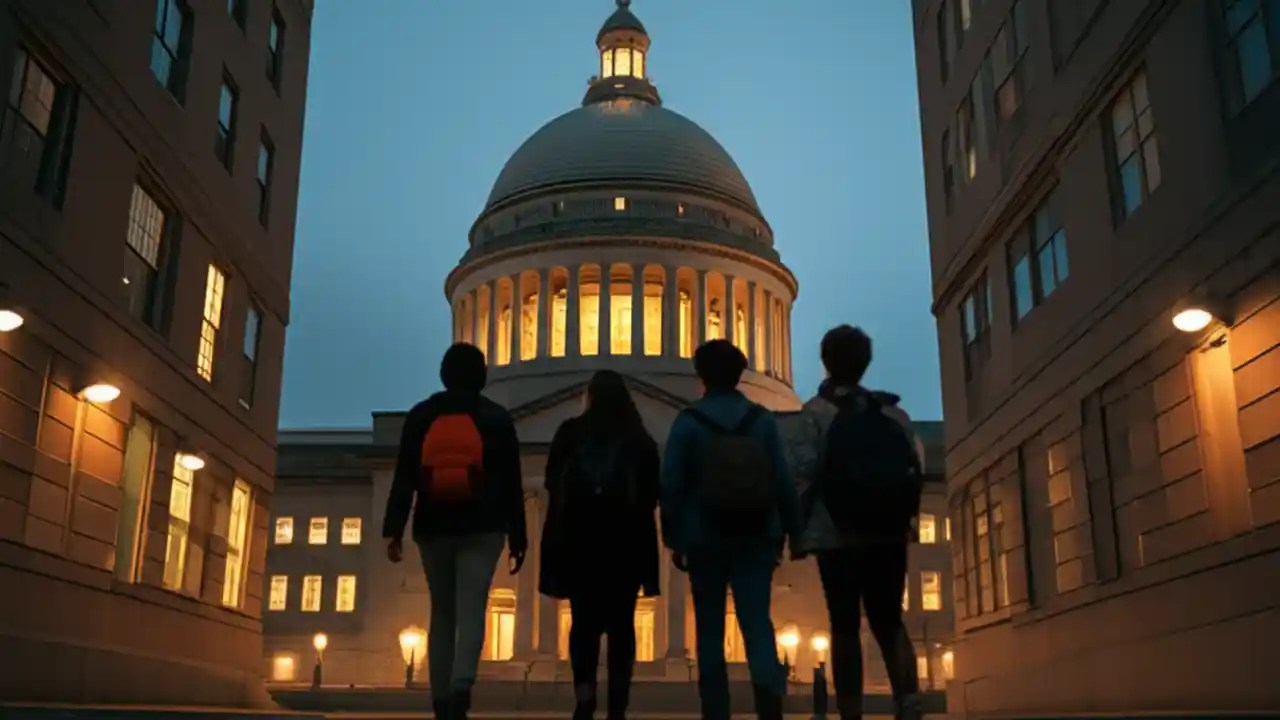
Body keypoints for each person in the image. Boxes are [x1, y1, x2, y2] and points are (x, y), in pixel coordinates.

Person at [785, 325, 925, 720]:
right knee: (888, 619)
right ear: (865, 364)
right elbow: (916, 468)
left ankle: (850, 708)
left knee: (844, 623)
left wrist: (797, 528)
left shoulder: (815, 412)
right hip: (887, 531)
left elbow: (803, 470)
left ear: (825, 361)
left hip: (836, 533)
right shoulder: (892, 412)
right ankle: (907, 697)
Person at [382, 343, 528, 720]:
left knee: (442, 611)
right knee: (472, 608)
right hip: (484, 524)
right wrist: (518, 536)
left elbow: (404, 476)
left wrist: (394, 528)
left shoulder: (422, 415)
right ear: (482, 377)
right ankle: (463, 683)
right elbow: (513, 482)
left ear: (444, 375)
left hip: (434, 523)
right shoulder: (495, 418)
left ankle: (440, 695)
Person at [660, 339, 802, 720]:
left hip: (705, 537)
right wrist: (793, 531)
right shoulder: (761, 420)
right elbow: (783, 480)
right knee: (757, 622)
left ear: (700, 374)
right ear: (740, 375)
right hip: (757, 534)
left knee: (708, 631)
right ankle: (770, 705)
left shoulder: (689, 422)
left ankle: (715, 710)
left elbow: (670, 482)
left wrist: (672, 535)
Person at [539, 370, 661, 720]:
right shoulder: (640, 439)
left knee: (584, 625)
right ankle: (618, 705)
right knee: (622, 625)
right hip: (625, 544)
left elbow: (551, 483)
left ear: (589, 397)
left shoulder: (569, 433)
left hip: (581, 543)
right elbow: (653, 494)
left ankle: (585, 697)